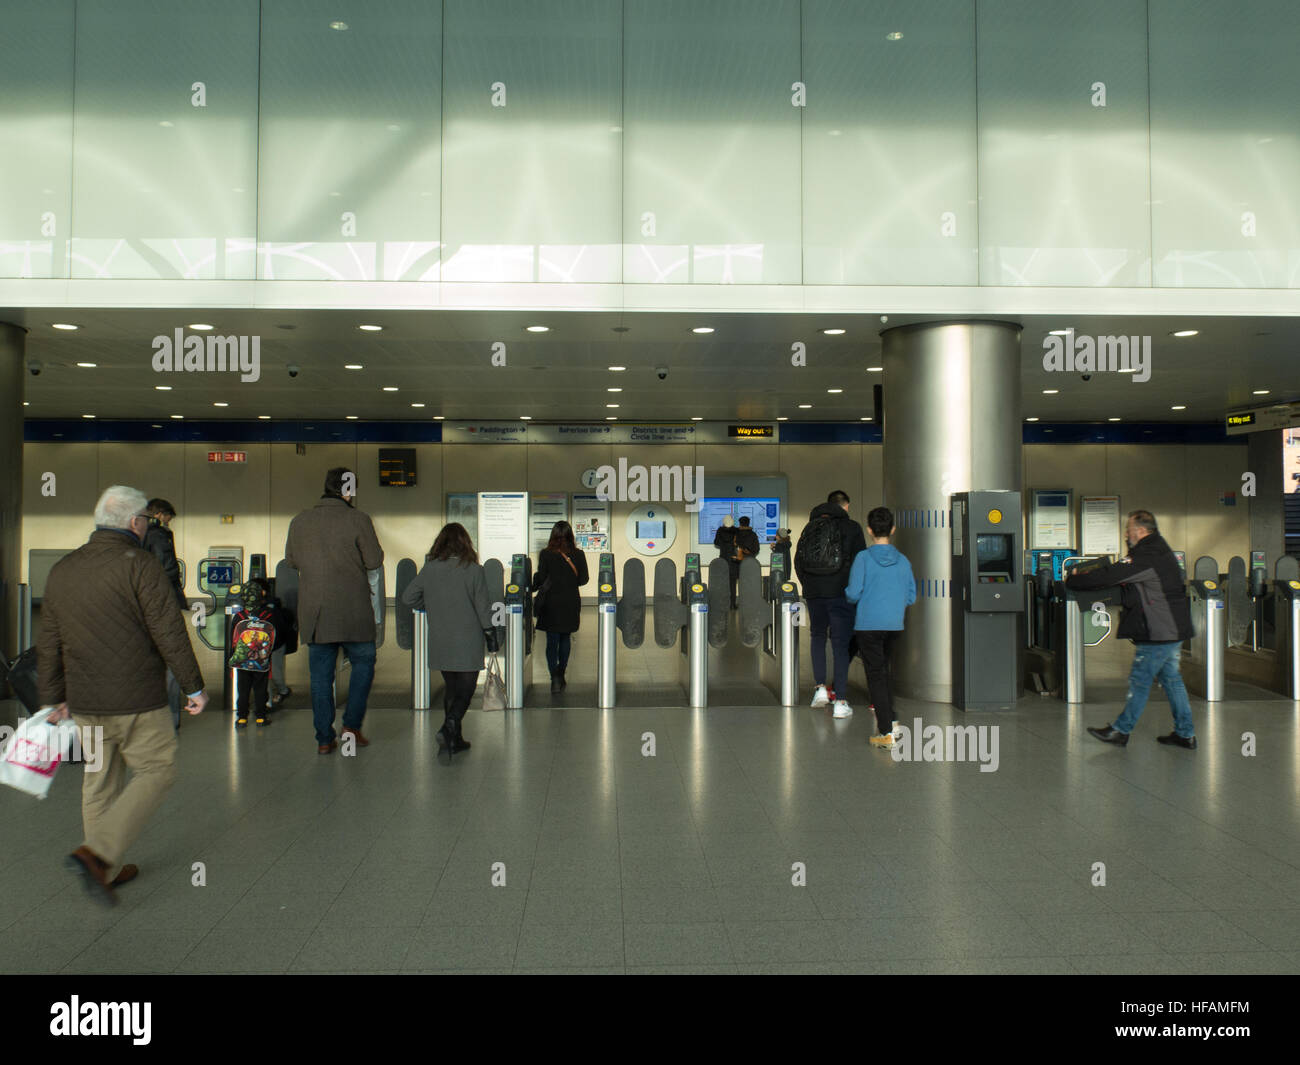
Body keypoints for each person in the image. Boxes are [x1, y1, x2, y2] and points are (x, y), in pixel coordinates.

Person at [37, 485, 208, 905]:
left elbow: (48, 641)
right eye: (146, 520)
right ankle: (98, 853)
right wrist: (194, 686)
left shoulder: (64, 569)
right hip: (137, 702)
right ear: (136, 522)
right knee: (156, 770)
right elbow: (168, 631)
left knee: (99, 783)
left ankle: (105, 870)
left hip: (87, 703)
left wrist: (52, 698)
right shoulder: (141, 565)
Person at [1065, 509, 1197, 749]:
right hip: (1174, 628)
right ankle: (1185, 733)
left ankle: (1120, 730)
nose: (1126, 534)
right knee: (1171, 679)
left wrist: (1074, 579)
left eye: (1129, 529)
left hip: (1158, 631)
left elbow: (1109, 575)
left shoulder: (1147, 555)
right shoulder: (1160, 550)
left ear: (1141, 530)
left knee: (1140, 680)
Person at [284, 467, 385, 755]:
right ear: (348, 491)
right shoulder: (358, 519)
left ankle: (323, 739)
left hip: (315, 612)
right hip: (353, 610)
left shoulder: (299, 521)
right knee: (363, 663)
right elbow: (374, 560)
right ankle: (351, 727)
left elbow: (291, 560)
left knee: (320, 676)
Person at [401, 523, 496, 757]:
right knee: (466, 689)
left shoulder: (430, 569)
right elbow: (483, 607)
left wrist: (429, 606)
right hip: (468, 638)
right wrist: (491, 634)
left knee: (452, 688)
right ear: (466, 543)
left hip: (440, 637)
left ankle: (455, 739)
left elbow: (407, 597)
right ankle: (449, 726)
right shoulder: (473, 570)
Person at [845, 506, 916, 743]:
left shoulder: (863, 558)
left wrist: (850, 595)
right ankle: (892, 719)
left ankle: (885, 731)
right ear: (893, 529)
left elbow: (853, 593)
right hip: (894, 625)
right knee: (884, 671)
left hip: (868, 625)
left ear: (869, 530)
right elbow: (911, 596)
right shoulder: (903, 560)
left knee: (875, 674)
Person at [795, 489, 868, 718]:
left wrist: (808, 585)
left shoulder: (810, 527)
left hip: (814, 593)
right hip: (840, 593)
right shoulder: (852, 527)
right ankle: (840, 700)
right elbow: (860, 562)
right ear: (845, 506)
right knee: (840, 644)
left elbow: (799, 561)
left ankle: (819, 689)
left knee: (817, 636)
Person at [143, 498, 187, 733]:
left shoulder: (135, 535)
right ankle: (170, 718)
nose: (170, 522)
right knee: (171, 660)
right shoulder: (159, 535)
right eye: (169, 517)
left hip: (142, 606)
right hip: (163, 603)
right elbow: (167, 568)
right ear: (160, 514)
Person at [531, 520, 590, 692]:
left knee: (551, 642)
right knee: (565, 639)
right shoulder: (578, 554)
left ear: (553, 536)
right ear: (571, 536)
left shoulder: (545, 554)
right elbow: (584, 579)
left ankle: (554, 677)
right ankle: (561, 674)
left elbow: (541, 579)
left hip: (551, 603)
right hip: (570, 602)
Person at [228, 577, 292, 728]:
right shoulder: (270, 615)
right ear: (261, 595)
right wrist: (269, 652)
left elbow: (233, 639)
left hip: (242, 661)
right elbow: (280, 634)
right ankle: (261, 717)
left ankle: (242, 718)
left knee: (242, 689)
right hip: (262, 659)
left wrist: (234, 656)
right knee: (260, 688)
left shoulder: (239, 617)